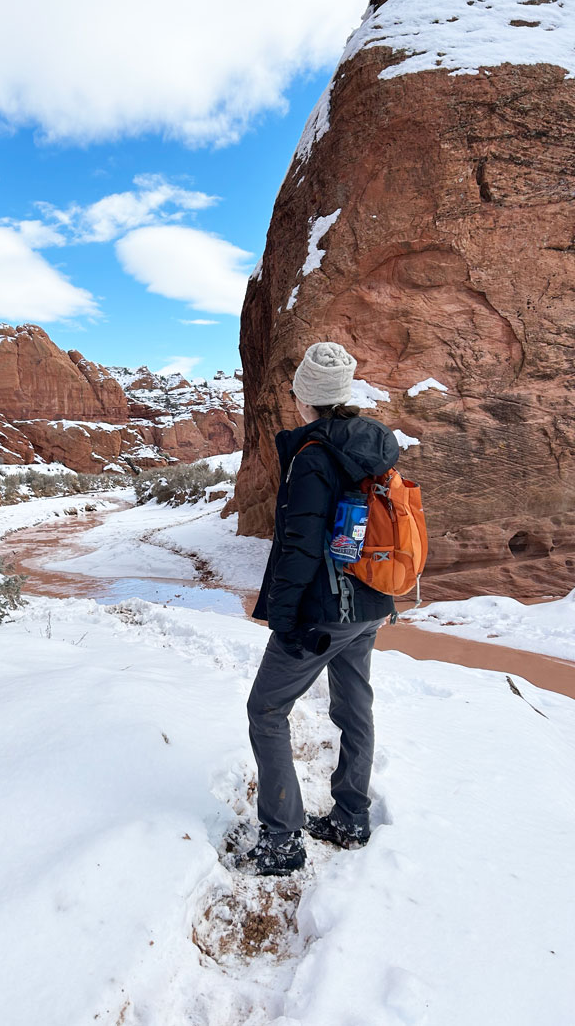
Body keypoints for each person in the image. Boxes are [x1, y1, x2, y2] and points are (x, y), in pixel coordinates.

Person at [242, 341, 400, 877]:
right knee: (355, 708)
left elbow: (300, 546)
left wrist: (284, 619)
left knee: (266, 711)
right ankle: (352, 816)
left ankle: (282, 840)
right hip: (373, 604)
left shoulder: (313, 456)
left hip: (325, 611)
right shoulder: (374, 444)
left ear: (306, 396)